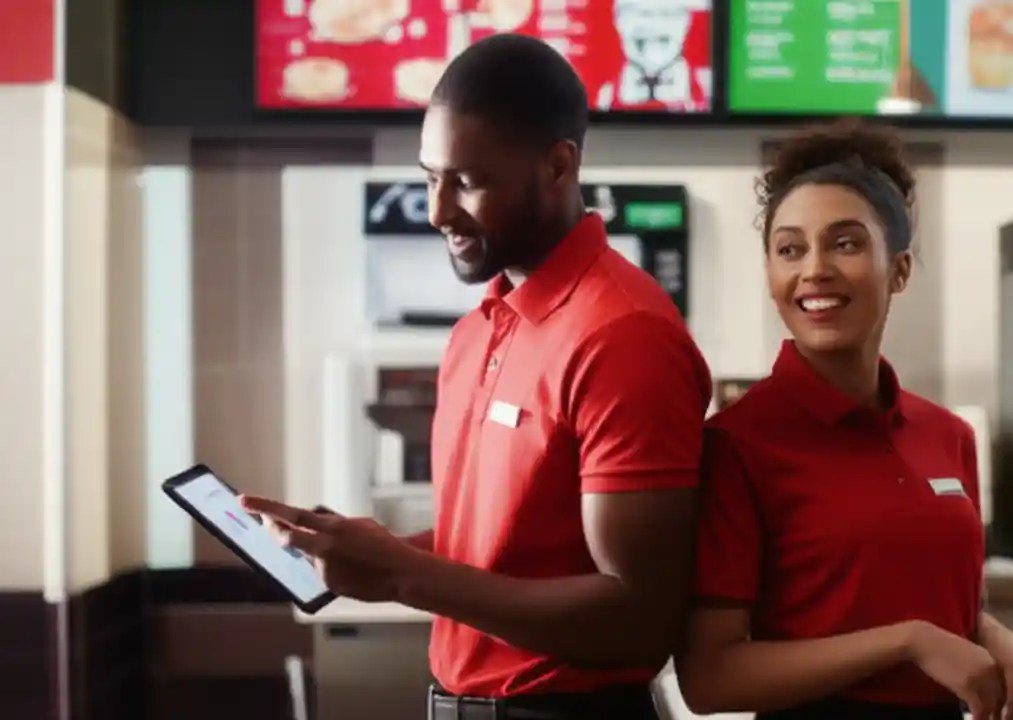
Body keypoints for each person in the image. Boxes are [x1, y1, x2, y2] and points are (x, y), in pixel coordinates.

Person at [243, 33, 711, 720]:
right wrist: (370, 554)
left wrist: (404, 575)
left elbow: (635, 616)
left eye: (467, 181)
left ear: (558, 166)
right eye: (430, 177)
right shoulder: (479, 328)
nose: (437, 211)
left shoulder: (623, 334)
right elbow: (505, 546)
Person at [673, 119, 1013, 720]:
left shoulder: (948, 436)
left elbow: (949, 606)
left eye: (846, 243)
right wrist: (909, 643)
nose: (815, 269)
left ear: (899, 270)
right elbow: (710, 678)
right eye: (790, 248)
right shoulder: (737, 445)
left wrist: (1000, 644)